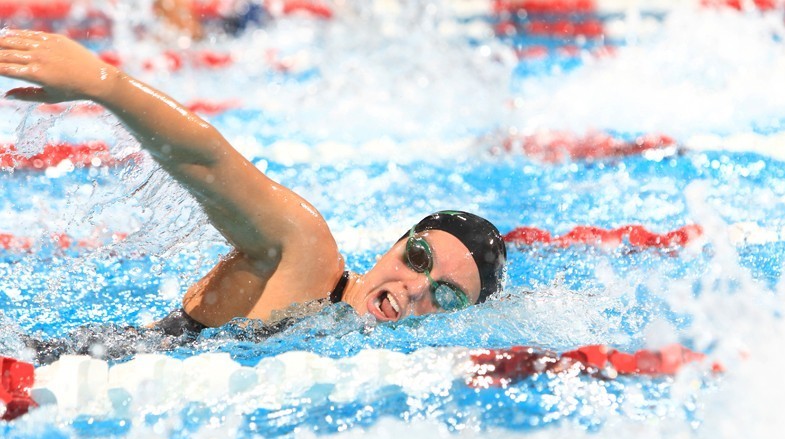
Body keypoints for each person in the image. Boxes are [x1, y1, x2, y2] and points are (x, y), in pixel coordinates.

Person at [0, 30, 506, 341]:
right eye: (418, 258)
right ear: (398, 243)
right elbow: (209, 161)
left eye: (448, 295)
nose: (416, 288)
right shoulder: (306, 255)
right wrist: (102, 83)